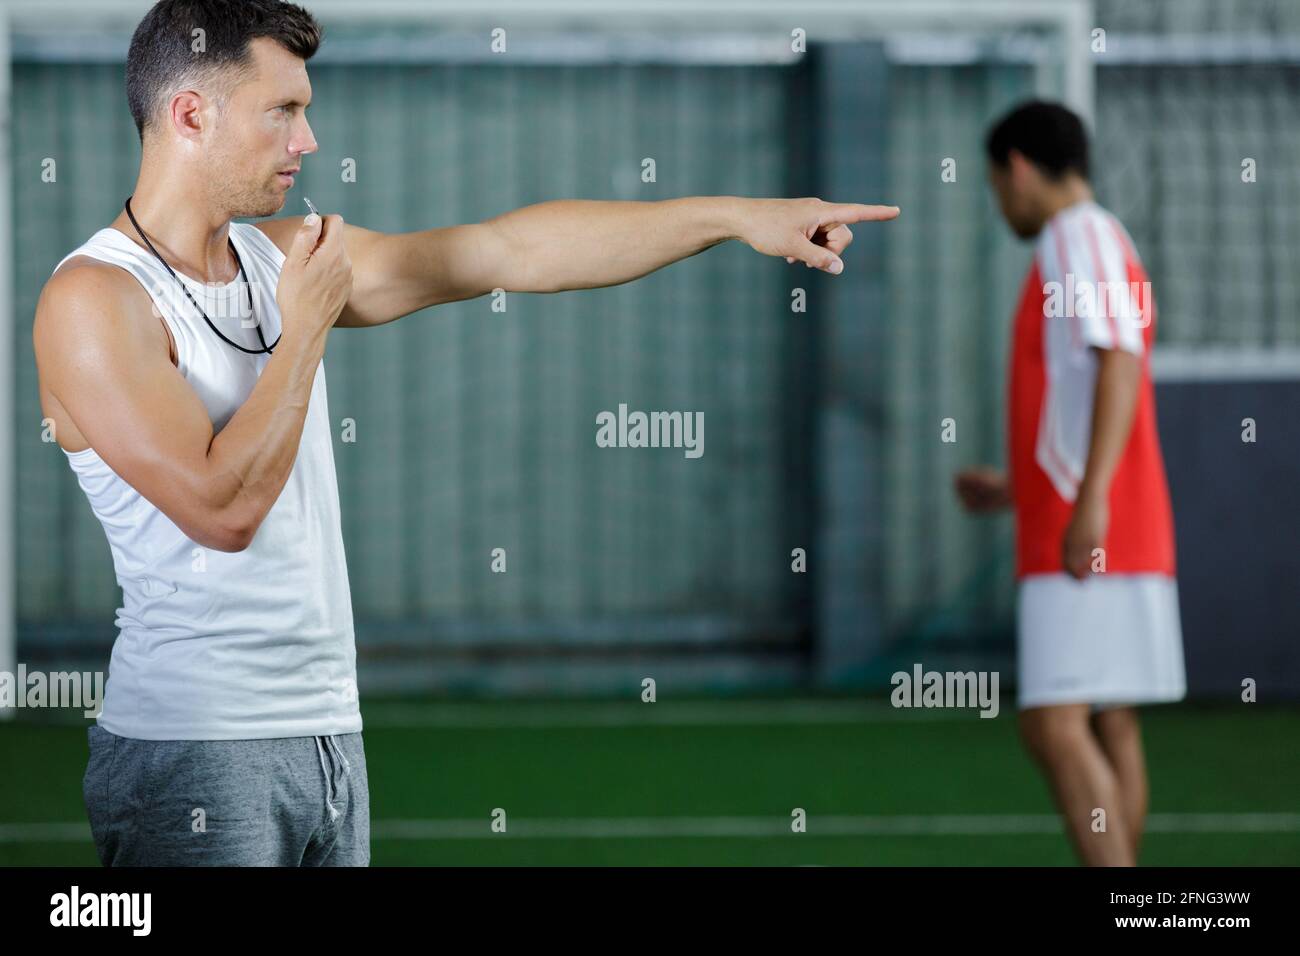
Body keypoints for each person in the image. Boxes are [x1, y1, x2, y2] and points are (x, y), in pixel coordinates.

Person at [32, 0, 899, 866]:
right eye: (285, 111)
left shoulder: (282, 257)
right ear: (191, 113)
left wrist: (734, 218)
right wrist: (304, 328)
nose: (309, 140)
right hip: (196, 748)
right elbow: (221, 510)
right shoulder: (96, 300)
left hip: (329, 734)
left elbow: (506, 252)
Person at [954, 100, 1185, 866]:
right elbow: (1085, 389)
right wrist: (1020, 488)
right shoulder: (1102, 237)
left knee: (1054, 722)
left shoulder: (1073, 237)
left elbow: (1117, 358)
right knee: (1109, 718)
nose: (999, 202)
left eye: (995, 184)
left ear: (1018, 168)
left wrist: (1086, 508)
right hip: (1117, 517)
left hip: (1090, 530)